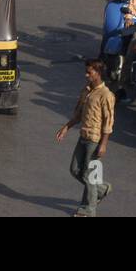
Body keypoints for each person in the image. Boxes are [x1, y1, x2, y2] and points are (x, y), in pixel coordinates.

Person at [55, 59, 114, 217]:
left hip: (95, 140)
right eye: (86, 71)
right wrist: (66, 127)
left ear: (98, 73)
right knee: (75, 170)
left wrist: (103, 145)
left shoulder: (106, 95)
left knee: (89, 176)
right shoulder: (86, 91)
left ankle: (88, 210)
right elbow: (79, 114)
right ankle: (101, 189)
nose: (86, 74)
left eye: (90, 72)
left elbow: (108, 122)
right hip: (83, 136)